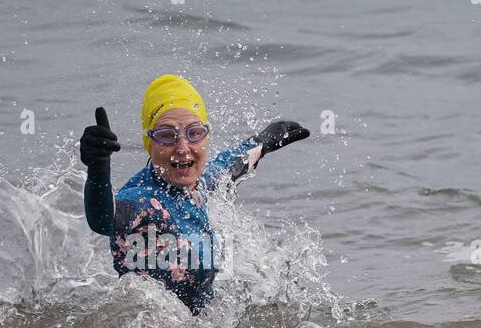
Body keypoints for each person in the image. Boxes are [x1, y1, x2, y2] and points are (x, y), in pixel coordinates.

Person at [80, 74, 310, 312]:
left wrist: (262, 142)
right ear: (150, 143)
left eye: (194, 133)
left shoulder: (204, 182)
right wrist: (98, 169)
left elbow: (233, 165)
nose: (182, 148)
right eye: (167, 136)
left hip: (204, 326)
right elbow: (103, 220)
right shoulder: (143, 200)